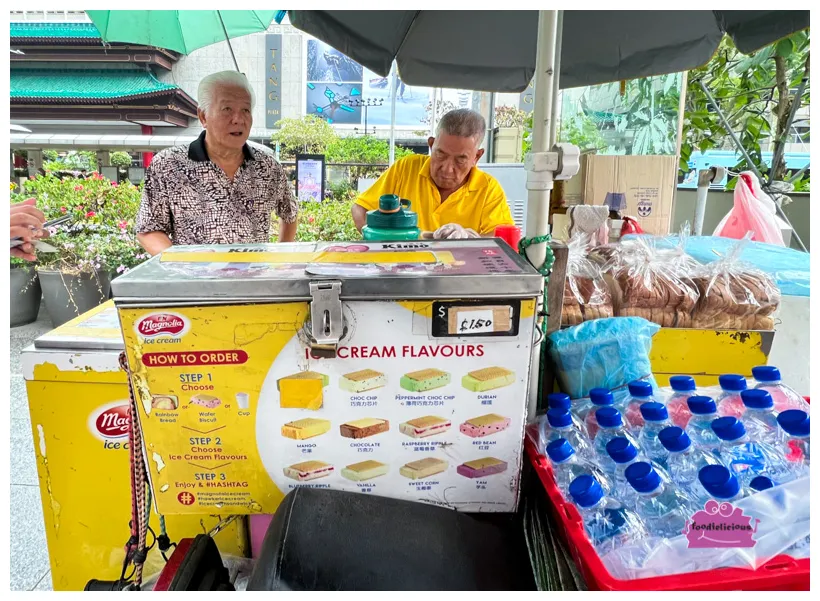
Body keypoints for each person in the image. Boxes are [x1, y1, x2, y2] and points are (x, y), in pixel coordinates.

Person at [136, 71, 298, 256]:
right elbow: (148, 229)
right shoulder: (168, 165)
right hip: (194, 282)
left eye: (245, 110)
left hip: (253, 281)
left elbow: (289, 214)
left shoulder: (268, 167)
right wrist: (184, 263)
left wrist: (278, 260)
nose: (238, 119)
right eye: (227, 109)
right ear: (203, 116)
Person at [352, 109, 513, 239]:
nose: (447, 168)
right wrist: (382, 239)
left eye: (460, 160)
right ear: (431, 145)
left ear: (476, 157)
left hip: (458, 276)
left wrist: (469, 239)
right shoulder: (406, 168)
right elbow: (360, 208)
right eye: (440, 154)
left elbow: (503, 238)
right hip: (402, 271)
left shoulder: (488, 189)